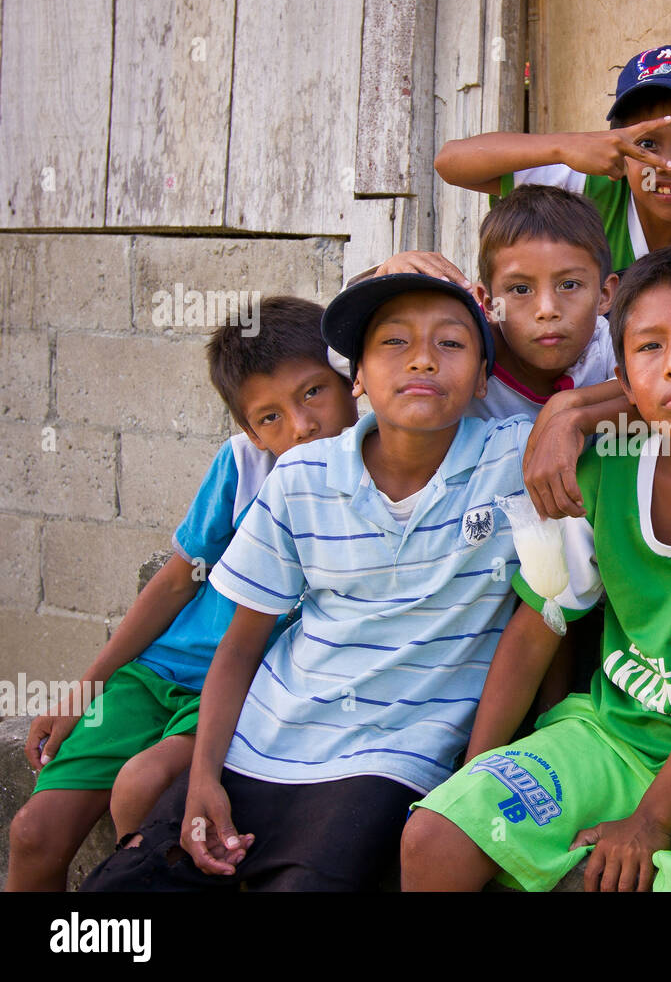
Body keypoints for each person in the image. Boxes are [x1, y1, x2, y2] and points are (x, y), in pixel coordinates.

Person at [401, 244, 671, 892]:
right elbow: (538, 622)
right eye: (650, 347)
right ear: (624, 380)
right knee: (436, 835)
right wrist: (474, 769)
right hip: (609, 732)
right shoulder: (603, 464)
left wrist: (652, 819)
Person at [79, 273, 533, 891]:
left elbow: (641, 398)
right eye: (394, 343)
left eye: (451, 344)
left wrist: (565, 417)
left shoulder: (515, 457)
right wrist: (206, 775)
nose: (424, 357)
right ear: (360, 379)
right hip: (257, 742)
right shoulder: (301, 475)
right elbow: (241, 646)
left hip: (387, 761)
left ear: (484, 380)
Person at [6, 297, 357, 891]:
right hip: (156, 675)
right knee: (32, 832)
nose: (300, 426)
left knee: (141, 786)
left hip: (239, 691)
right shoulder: (245, 466)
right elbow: (176, 578)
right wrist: (86, 686)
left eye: (313, 393)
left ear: (354, 382)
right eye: (269, 418)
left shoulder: (371, 481)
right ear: (248, 430)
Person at [435, 43, 671, 271]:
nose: (670, 165)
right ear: (618, 148)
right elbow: (451, 162)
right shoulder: (589, 189)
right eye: (647, 143)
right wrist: (563, 147)